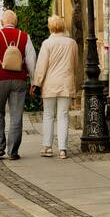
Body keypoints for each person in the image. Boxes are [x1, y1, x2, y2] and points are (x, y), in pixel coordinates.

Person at [0, 9, 36, 160]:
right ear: (16, 22)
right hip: (19, 80)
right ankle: (13, 151)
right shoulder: (24, 36)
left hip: (0, 80)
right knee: (16, 115)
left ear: (2, 22)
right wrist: (33, 81)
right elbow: (31, 61)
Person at [31, 15, 79, 158]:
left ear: (50, 27)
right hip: (65, 83)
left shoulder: (47, 44)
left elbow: (41, 66)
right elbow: (75, 64)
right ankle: (63, 149)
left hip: (50, 85)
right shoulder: (72, 43)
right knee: (63, 116)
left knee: (48, 115)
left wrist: (36, 83)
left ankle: (47, 147)